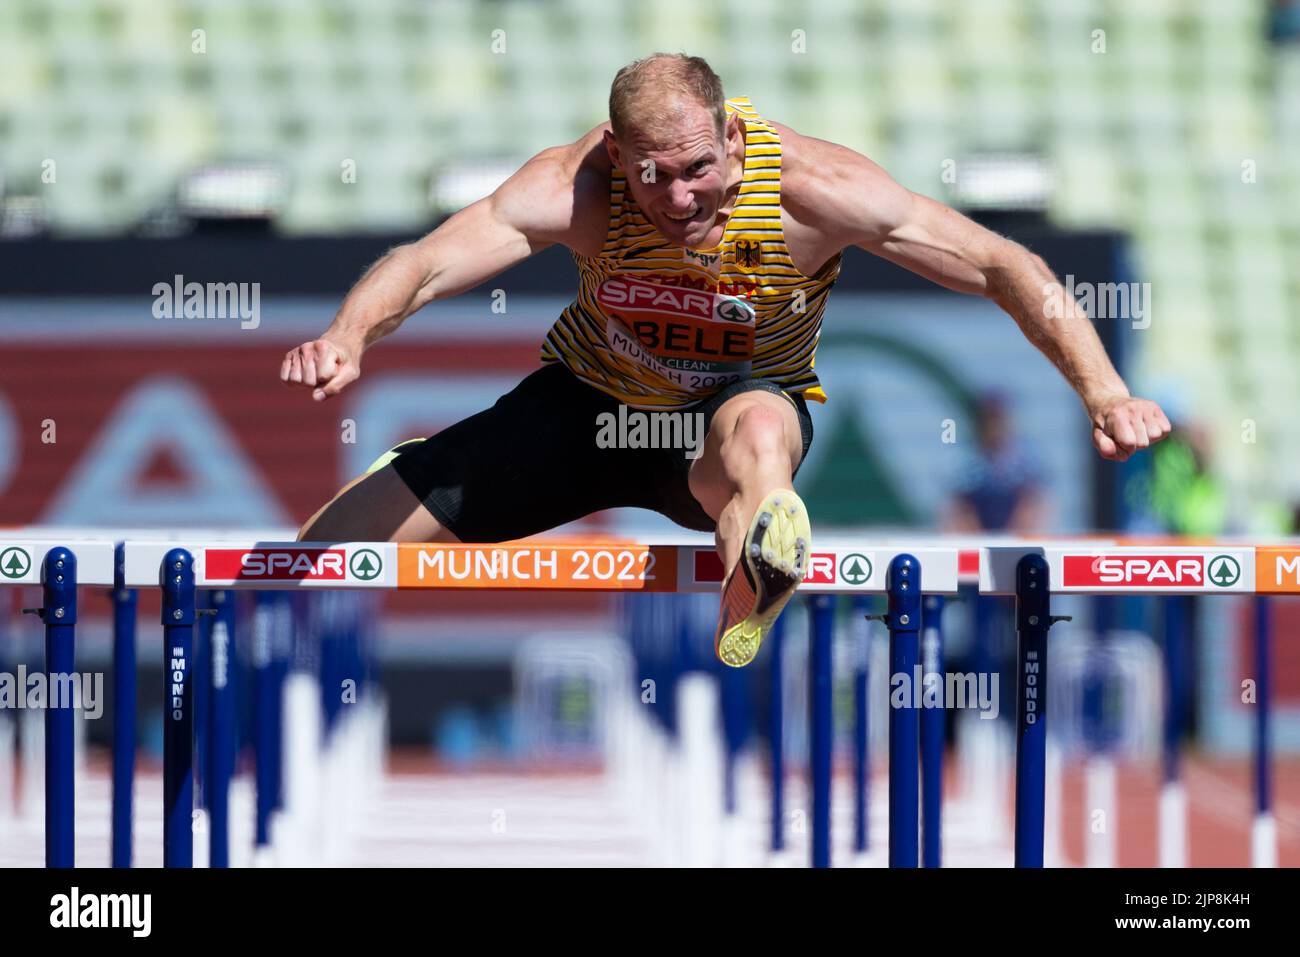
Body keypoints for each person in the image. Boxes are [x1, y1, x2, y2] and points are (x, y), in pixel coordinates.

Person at [280, 54, 1170, 668]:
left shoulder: (816, 192)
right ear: (617, 157)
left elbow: (1001, 265)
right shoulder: (575, 186)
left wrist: (1103, 387)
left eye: (698, 169)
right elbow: (429, 260)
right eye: (652, 176)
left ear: (734, 139)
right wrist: (350, 333)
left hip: (733, 408)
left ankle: (756, 572)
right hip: (587, 408)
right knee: (319, 554)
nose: (677, 197)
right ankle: (252, 672)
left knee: (758, 436)